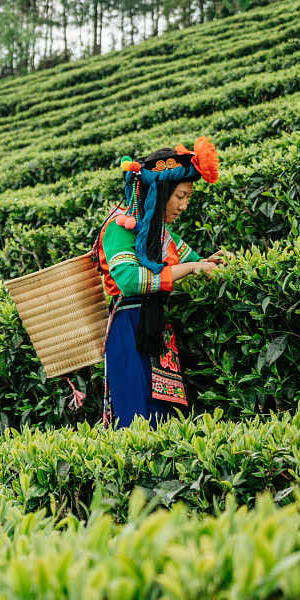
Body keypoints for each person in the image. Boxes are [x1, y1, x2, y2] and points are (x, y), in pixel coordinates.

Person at [96, 137, 227, 429]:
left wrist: (213, 262)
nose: (184, 205)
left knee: (166, 418)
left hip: (157, 330)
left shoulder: (163, 233)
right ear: (159, 190)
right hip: (129, 330)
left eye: (189, 198)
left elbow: (193, 259)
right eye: (180, 196)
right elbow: (130, 280)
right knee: (138, 419)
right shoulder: (120, 229)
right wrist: (192, 267)